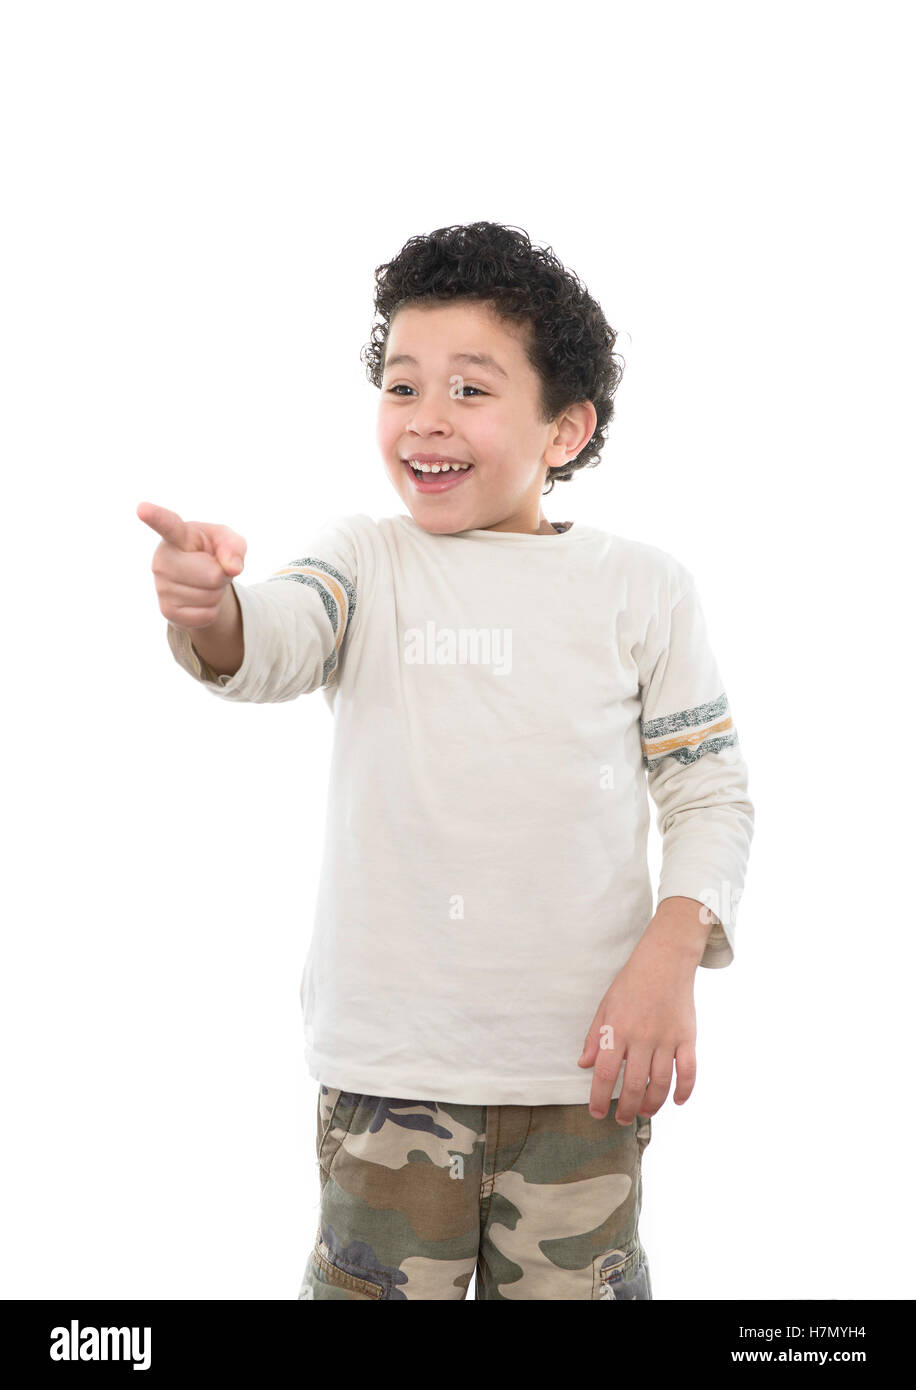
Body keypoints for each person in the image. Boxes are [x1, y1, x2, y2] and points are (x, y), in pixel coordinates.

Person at [138, 221, 754, 1300]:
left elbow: (706, 785)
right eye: (401, 384)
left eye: (470, 390)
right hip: (389, 1075)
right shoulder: (363, 561)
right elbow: (273, 637)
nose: (425, 418)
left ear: (564, 430)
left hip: (582, 1075)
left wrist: (674, 946)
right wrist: (216, 610)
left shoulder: (644, 587)